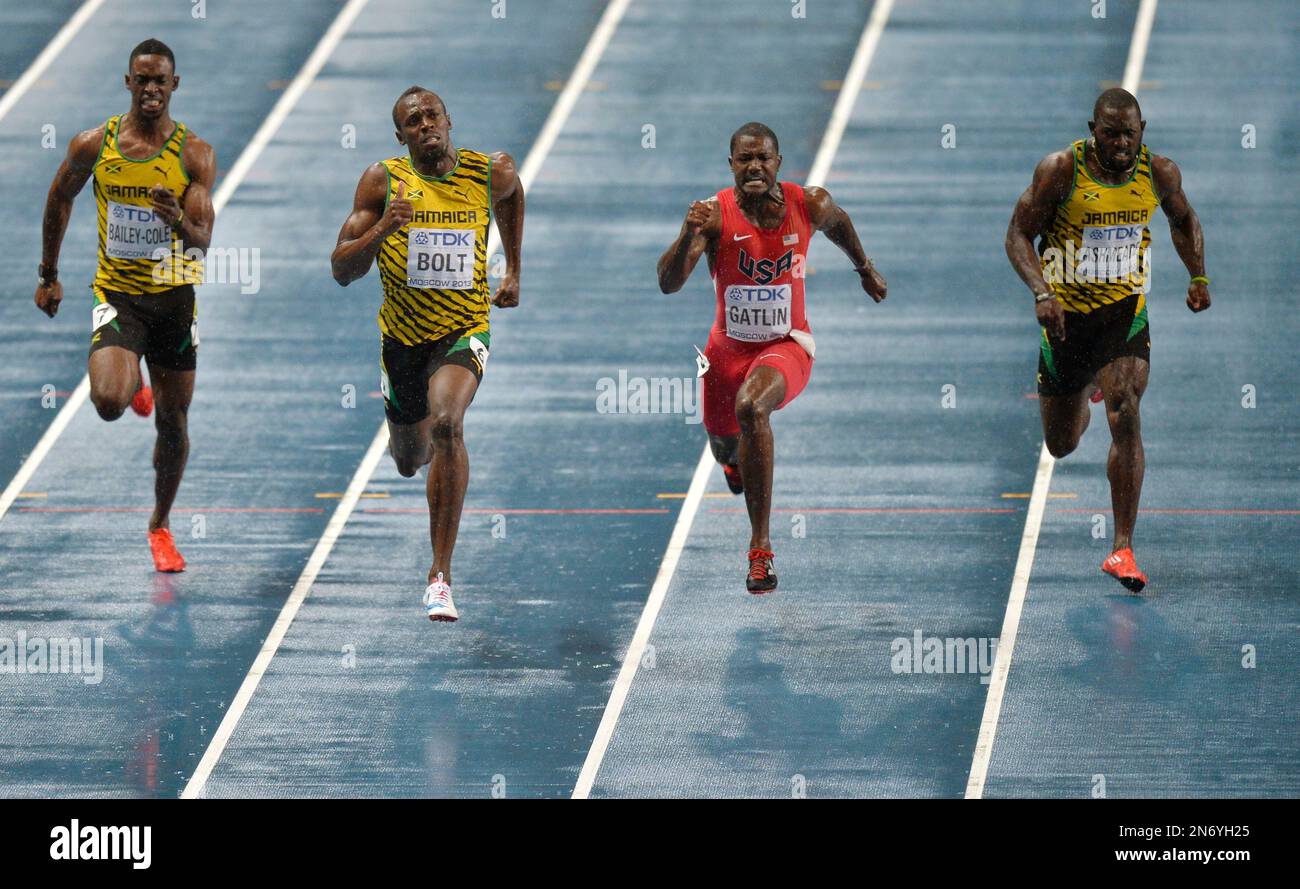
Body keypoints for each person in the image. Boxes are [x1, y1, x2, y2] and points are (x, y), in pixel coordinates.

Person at [657, 122, 887, 593]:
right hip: (725, 354)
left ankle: (759, 551)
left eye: (763, 158)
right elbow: (668, 282)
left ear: (778, 163)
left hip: (787, 346)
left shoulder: (810, 204)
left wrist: (864, 268)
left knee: (752, 407)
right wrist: (687, 233)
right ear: (732, 166)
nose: (755, 167)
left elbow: (840, 224)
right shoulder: (715, 216)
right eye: (745, 159)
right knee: (724, 443)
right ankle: (734, 462)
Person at [1006, 88, 1211, 592]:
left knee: (1126, 406)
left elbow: (1182, 219)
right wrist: (1041, 292)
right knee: (1061, 443)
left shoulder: (1157, 172)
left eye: (1130, 134)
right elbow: (1017, 235)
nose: (1121, 143)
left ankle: (1122, 547)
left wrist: (1198, 276)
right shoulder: (1060, 171)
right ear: (1092, 129)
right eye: (1111, 133)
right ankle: (1084, 389)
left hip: (1123, 314)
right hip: (1064, 321)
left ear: (1143, 132)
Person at [331, 87, 523, 622]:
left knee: (447, 423)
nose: (425, 126)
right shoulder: (382, 182)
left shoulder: (490, 171)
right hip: (402, 341)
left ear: (448, 119)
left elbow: (511, 195)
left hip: (463, 330)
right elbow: (342, 270)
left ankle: (439, 575)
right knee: (409, 459)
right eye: (413, 121)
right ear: (401, 136)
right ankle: (410, 441)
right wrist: (383, 227)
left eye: (432, 116)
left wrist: (512, 269)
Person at [35, 38, 215, 573]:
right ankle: (128, 373)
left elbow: (202, 238)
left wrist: (175, 221)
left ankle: (160, 524)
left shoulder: (194, 155)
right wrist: (49, 274)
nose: (152, 89)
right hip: (118, 297)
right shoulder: (96, 145)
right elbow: (60, 196)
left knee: (174, 422)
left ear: (174, 85)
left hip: (174, 302)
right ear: (128, 83)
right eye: (143, 79)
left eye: (161, 80)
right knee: (110, 402)